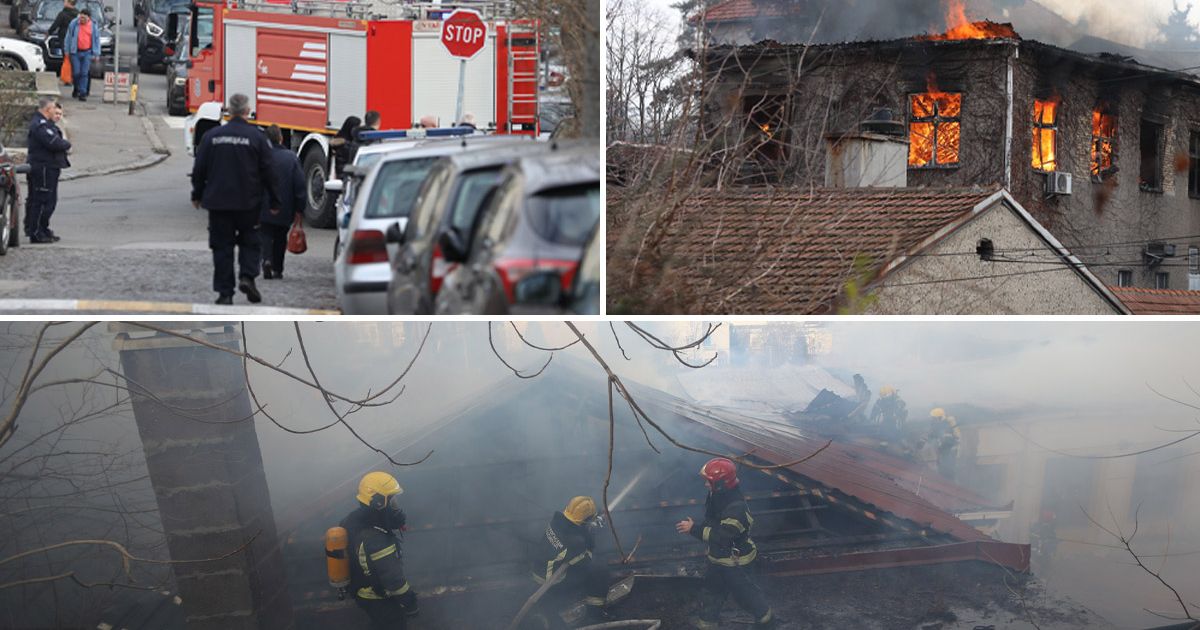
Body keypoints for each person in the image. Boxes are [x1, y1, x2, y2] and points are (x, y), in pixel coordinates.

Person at [190, 93, 279, 305]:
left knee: (222, 247)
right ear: (247, 111)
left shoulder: (212, 136)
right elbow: (269, 171)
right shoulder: (257, 138)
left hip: (219, 202)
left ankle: (225, 292)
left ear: (229, 111)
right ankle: (247, 276)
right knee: (250, 242)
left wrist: (197, 194)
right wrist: (275, 201)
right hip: (248, 203)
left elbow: (199, 169)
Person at [676, 458, 775, 629]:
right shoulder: (718, 494)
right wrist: (699, 527)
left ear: (720, 483)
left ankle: (766, 622)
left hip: (736, 563)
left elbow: (723, 537)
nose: (706, 484)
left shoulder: (736, 507)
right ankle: (707, 625)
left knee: (747, 597)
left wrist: (693, 529)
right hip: (718, 559)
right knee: (711, 595)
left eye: (709, 481)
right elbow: (714, 521)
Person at [341, 472, 419, 629]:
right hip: (375, 596)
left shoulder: (354, 519)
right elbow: (393, 580)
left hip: (361, 590)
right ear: (378, 503)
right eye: (391, 501)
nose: (395, 507)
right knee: (394, 624)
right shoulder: (376, 538)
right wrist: (410, 602)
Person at [528, 496, 611, 626]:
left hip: (539, 570)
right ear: (585, 522)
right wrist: (593, 531)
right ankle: (594, 614)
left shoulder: (556, 521)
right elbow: (586, 559)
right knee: (599, 570)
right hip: (551, 584)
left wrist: (591, 523)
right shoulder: (576, 543)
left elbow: (576, 529)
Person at [259, 125, 305, 280]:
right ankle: (277, 268)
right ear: (281, 138)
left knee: (264, 232)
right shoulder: (291, 158)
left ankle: (266, 259)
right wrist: (300, 208)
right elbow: (299, 184)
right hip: (285, 204)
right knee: (280, 235)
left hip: (263, 203)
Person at [24, 96, 70, 244]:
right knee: (41, 200)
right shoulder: (40, 125)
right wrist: (66, 144)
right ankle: (36, 231)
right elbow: (54, 143)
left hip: (50, 166)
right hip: (42, 167)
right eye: (52, 109)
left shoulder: (47, 124)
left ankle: (42, 228)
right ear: (47, 109)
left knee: (49, 201)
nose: (54, 112)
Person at [65, 9, 102, 101]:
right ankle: (76, 88)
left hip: (87, 52)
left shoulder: (93, 26)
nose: (81, 20)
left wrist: (96, 53)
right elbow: (68, 37)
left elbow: (96, 40)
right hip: (75, 52)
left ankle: (83, 93)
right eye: (80, 17)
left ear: (88, 18)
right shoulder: (74, 24)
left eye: (84, 18)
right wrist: (67, 50)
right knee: (76, 73)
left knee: (84, 73)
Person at [48, 0, 78, 85]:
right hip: (76, 38)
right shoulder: (78, 15)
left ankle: (67, 78)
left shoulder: (62, 14)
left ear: (68, 3)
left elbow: (55, 25)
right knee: (75, 58)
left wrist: (49, 32)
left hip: (64, 37)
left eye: (65, 1)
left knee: (66, 58)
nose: (63, 3)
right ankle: (74, 77)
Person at [928, 407, 961, 479]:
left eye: (934, 418)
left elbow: (948, 441)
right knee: (943, 467)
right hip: (944, 450)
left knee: (948, 468)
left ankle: (949, 482)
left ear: (939, 418)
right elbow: (932, 435)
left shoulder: (946, 426)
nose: (932, 420)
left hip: (949, 450)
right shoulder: (938, 425)